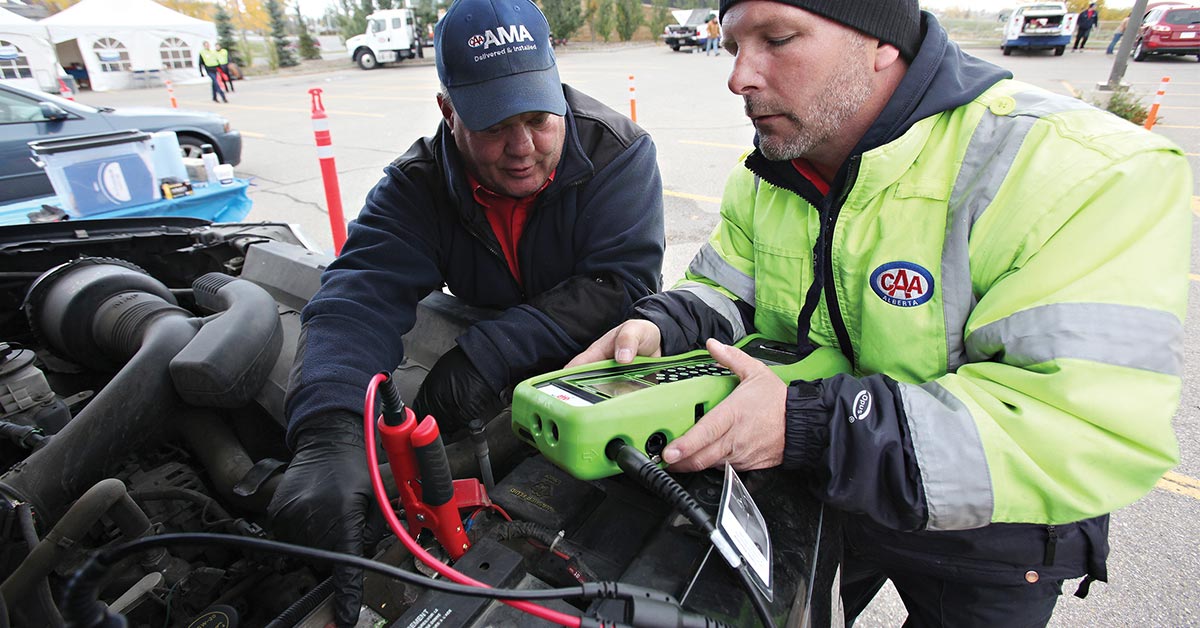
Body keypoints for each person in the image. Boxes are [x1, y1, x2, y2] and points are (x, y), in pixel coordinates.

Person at [570, 0, 1191, 625]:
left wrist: (807, 424)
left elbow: (1075, 425)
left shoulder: (1080, 171)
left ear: (882, 40)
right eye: (733, 47)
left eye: (777, 39)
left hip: (989, 535)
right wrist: (663, 325)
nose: (739, 78)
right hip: (820, 491)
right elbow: (727, 289)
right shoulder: (771, 169)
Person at [267, 0, 666, 624]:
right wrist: (329, 431)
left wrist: (489, 354)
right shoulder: (417, 185)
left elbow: (620, 285)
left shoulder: (616, 152)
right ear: (448, 111)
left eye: (538, 119)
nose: (522, 147)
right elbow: (358, 295)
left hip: (596, 363)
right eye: (494, 125)